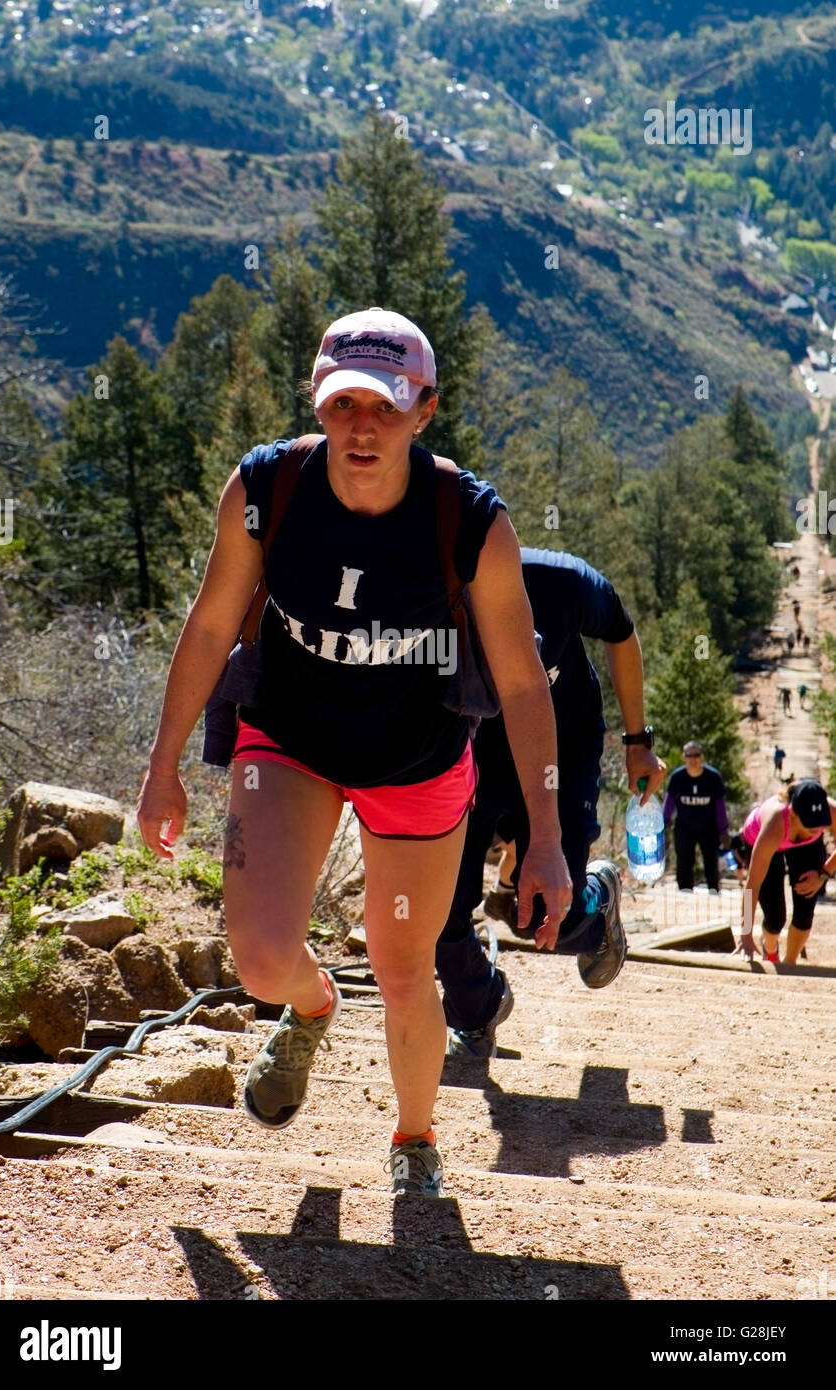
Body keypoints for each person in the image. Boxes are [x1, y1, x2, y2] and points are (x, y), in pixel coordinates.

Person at [136, 306, 572, 1198]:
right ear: (317, 403)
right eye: (342, 405)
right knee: (259, 959)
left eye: (384, 406)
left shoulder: (469, 523)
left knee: (404, 965)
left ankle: (414, 1141)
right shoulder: (267, 490)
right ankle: (310, 1005)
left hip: (416, 760)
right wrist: (161, 763)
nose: (360, 426)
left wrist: (548, 836)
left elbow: (526, 684)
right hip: (289, 738)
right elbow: (215, 620)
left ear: (426, 410)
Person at [435, 549, 665, 1057]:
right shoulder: (438, 589)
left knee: (542, 919)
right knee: (437, 904)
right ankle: (478, 1008)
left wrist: (638, 743)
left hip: (564, 745)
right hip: (474, 749)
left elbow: (621, 634)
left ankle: (597, 897)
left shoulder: (565, 583)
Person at [735, 779, 836, 964]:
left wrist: (823, 874)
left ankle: (790, 963)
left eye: (819, 826)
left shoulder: (829, 810)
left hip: (804, 846)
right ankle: (770, 948)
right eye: (810, 826)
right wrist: (746, 936)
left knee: (805, 909)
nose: (814, 831)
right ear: (794, 814)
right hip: (763, 837)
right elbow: (752, 884)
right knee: (775, 918)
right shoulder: (775, 823)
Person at [663, 741, 729, 892]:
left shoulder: (713, 777)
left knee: (711, 862)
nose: (693, 759)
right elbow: (668, 805)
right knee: (684, 862)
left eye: (696, 755)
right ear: (684, 757)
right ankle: (685, 892)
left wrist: (723, 831)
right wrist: (662, 825)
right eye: (689, 755)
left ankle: (714, 891)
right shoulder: (677, 778)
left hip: (708, 827)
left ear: (702, 757)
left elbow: (720, 807)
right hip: (685, 827)